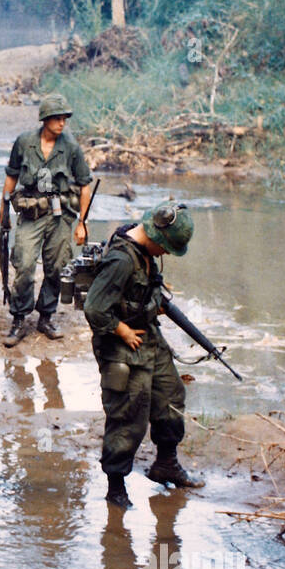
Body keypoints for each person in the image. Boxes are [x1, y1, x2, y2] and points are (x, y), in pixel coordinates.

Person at [83, 201, 205, 508]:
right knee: (128, 415)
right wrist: (121, 330)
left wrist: (154, 303)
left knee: (171, 397)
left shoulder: (143, 252)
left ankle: (166, 463)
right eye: (165, 248)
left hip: (148, 336)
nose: (165, 254)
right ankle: (115, 486)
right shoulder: (122, 260)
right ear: (155, 236)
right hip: (122, 343)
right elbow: (95, 309)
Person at [0, 93, 92, 347]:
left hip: (60, 215)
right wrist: (3, 211)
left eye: (64, 119)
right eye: (56, 118)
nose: (62, 123)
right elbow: (11, 176)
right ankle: (19, 318)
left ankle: (46, 317)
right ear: (45, 119)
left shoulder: (71, 147)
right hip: (30, 212)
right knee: (24, 264)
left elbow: (85, 184)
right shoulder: (24, 142)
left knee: (57, 266)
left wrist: (82, 222)